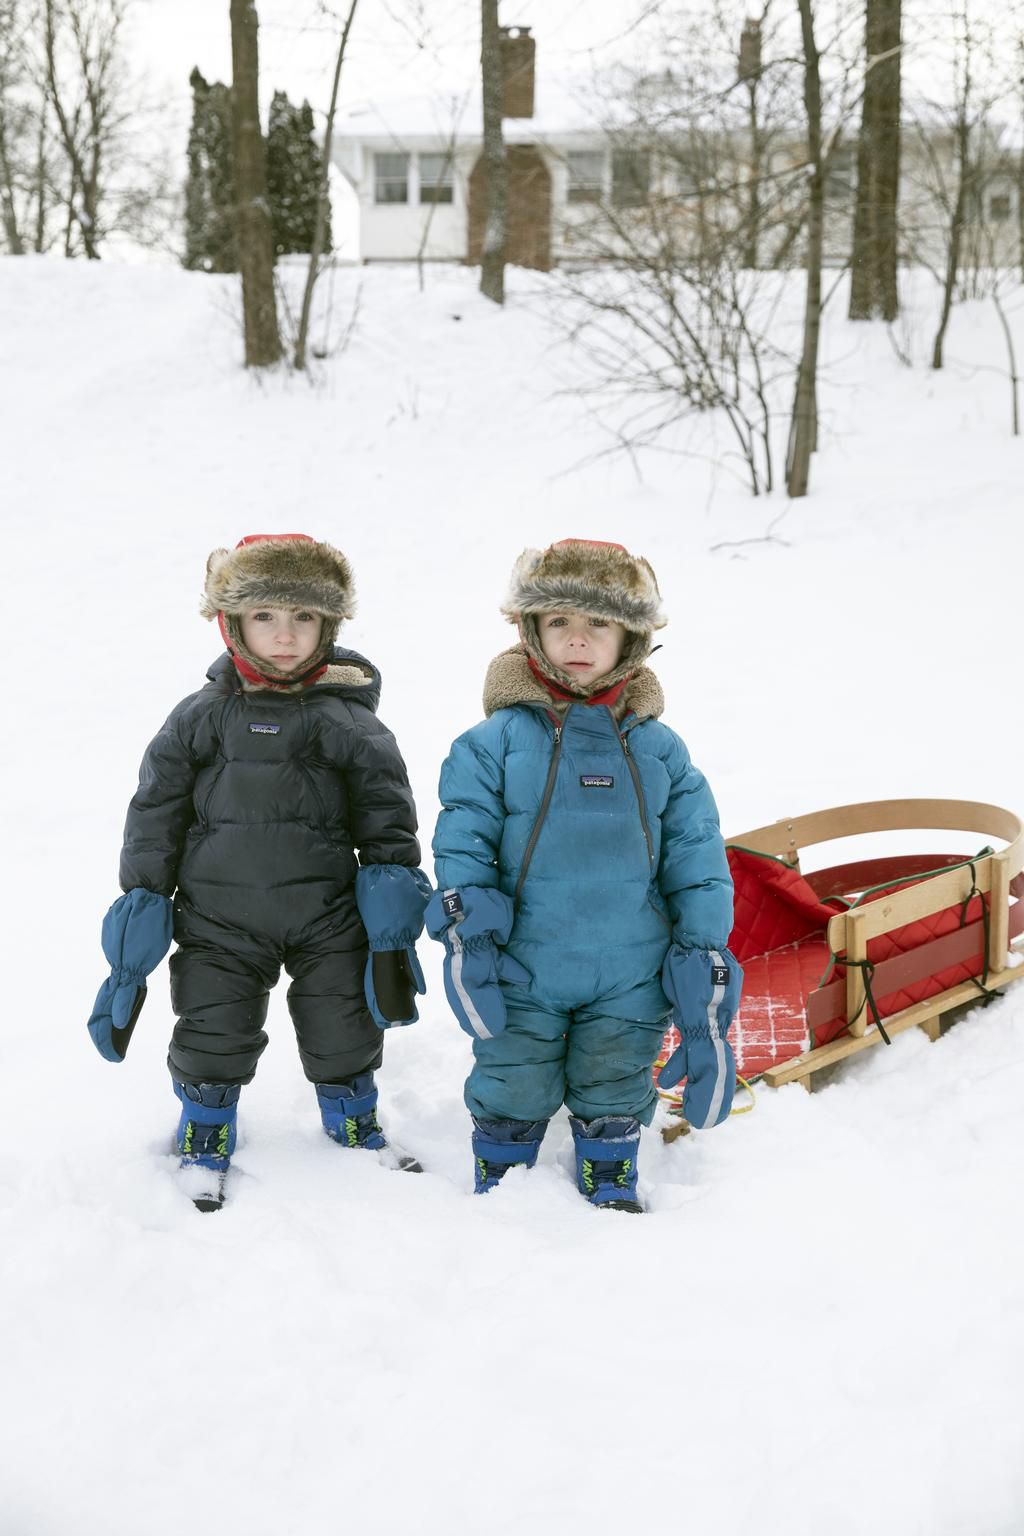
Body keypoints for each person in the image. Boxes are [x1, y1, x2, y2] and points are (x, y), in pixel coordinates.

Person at [87, 533, 430, 1209]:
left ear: (328, 625)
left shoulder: (350, 724)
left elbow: (388, 821)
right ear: (232, 622)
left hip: (329, 915)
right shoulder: (200, 718)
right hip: (219, 917)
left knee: (344, 1020)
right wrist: (144, 900)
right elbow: (155, 811)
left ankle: (352, 1116)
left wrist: (392, 912)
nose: (285, 635)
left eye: (304, 618)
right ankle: (207, 1125)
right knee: (212, 1024)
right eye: (266, 616)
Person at [426, 538, 741, 1213]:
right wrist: (469, 933)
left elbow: (696, 853)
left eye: (597, 623)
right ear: (530, 631)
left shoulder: (659, 748)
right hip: (522, 961)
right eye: (560, 621)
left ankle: (609, 1164)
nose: (578, 638)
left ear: (630, 637)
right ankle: (504, 1168)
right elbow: (463, 840)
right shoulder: (493, 744)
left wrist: (702, 951)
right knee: (513, 1071)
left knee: (617, 1069)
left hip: (629, 964)